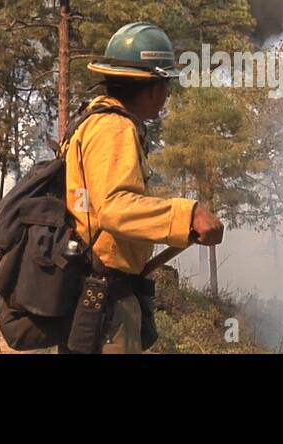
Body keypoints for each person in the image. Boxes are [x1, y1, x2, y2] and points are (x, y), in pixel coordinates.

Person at [60, 21, 224, 353]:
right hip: (106, 300)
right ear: (152, 88)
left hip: (99, 291)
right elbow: (114, 208)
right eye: (166, 85)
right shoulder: (114, 128)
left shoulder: (92, 120)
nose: (167, 94)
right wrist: (186, 214)